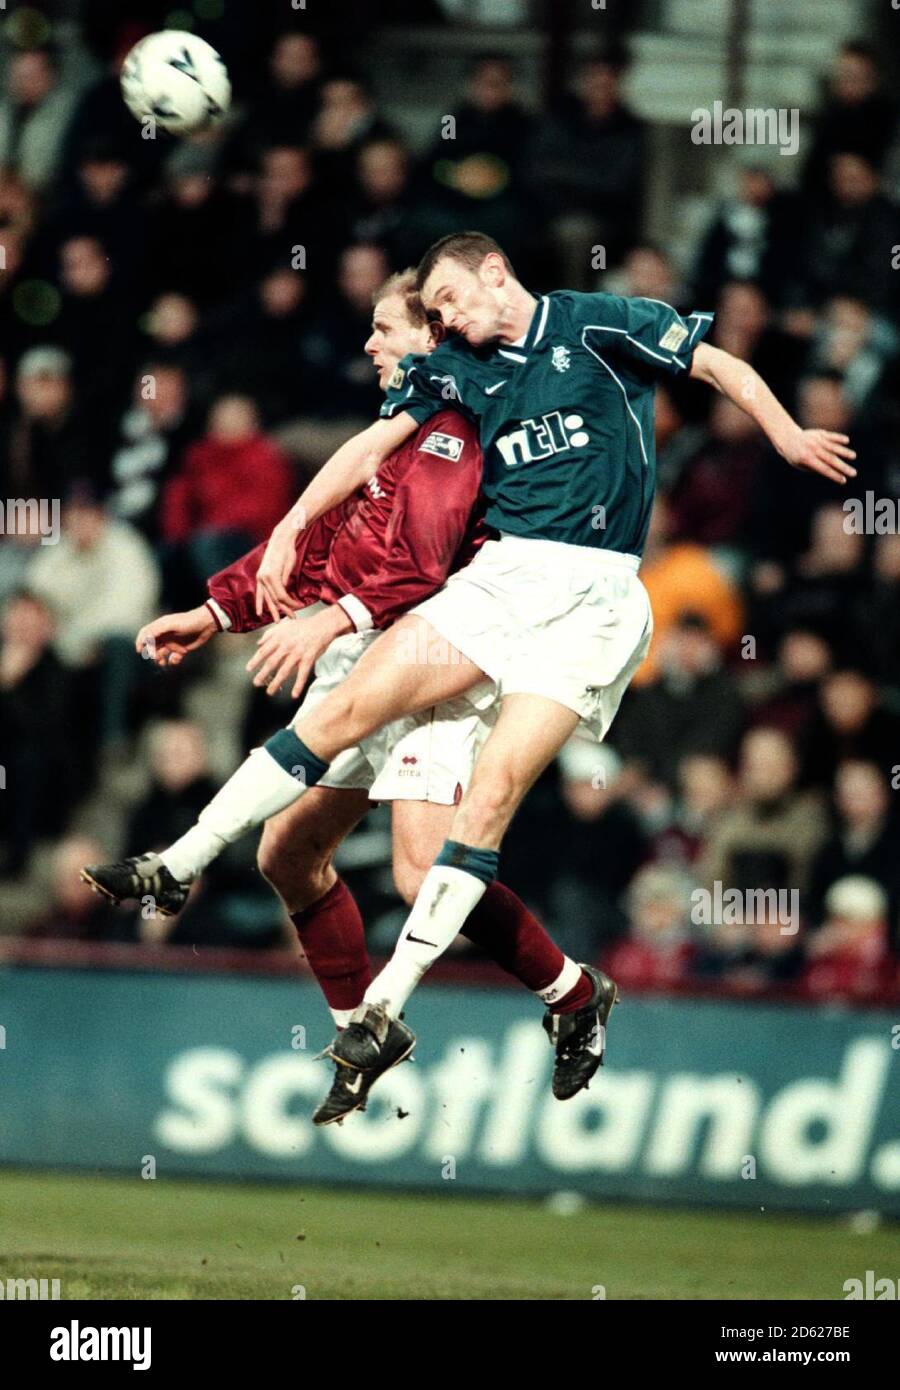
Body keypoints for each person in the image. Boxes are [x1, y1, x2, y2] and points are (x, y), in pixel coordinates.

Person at [83, 231, 856, 1121]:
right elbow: (359, 466)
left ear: (494, 273)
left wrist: (787, 433)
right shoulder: (454, 375)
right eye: (429, 315)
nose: (424, 327)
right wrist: (278, 541)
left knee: (453, 838)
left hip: (588, 599)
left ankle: (399, 1008)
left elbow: (715, 364)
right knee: (295, 836)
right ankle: (181, 867)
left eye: (426, 310)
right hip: (491, 595)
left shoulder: (590, 328)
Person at [82, 269, 609, 1122]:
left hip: (435, 660)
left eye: (384, 331)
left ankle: (574, 993)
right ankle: (356, 1035)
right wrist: (216, 612)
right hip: (365, 649)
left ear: (430, 341)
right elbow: (312, 545)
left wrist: (330, 620)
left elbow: (424, 566)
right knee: (286, 854)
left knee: (418, 871)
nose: (369, 345)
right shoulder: (386, 437)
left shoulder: (451, 433)